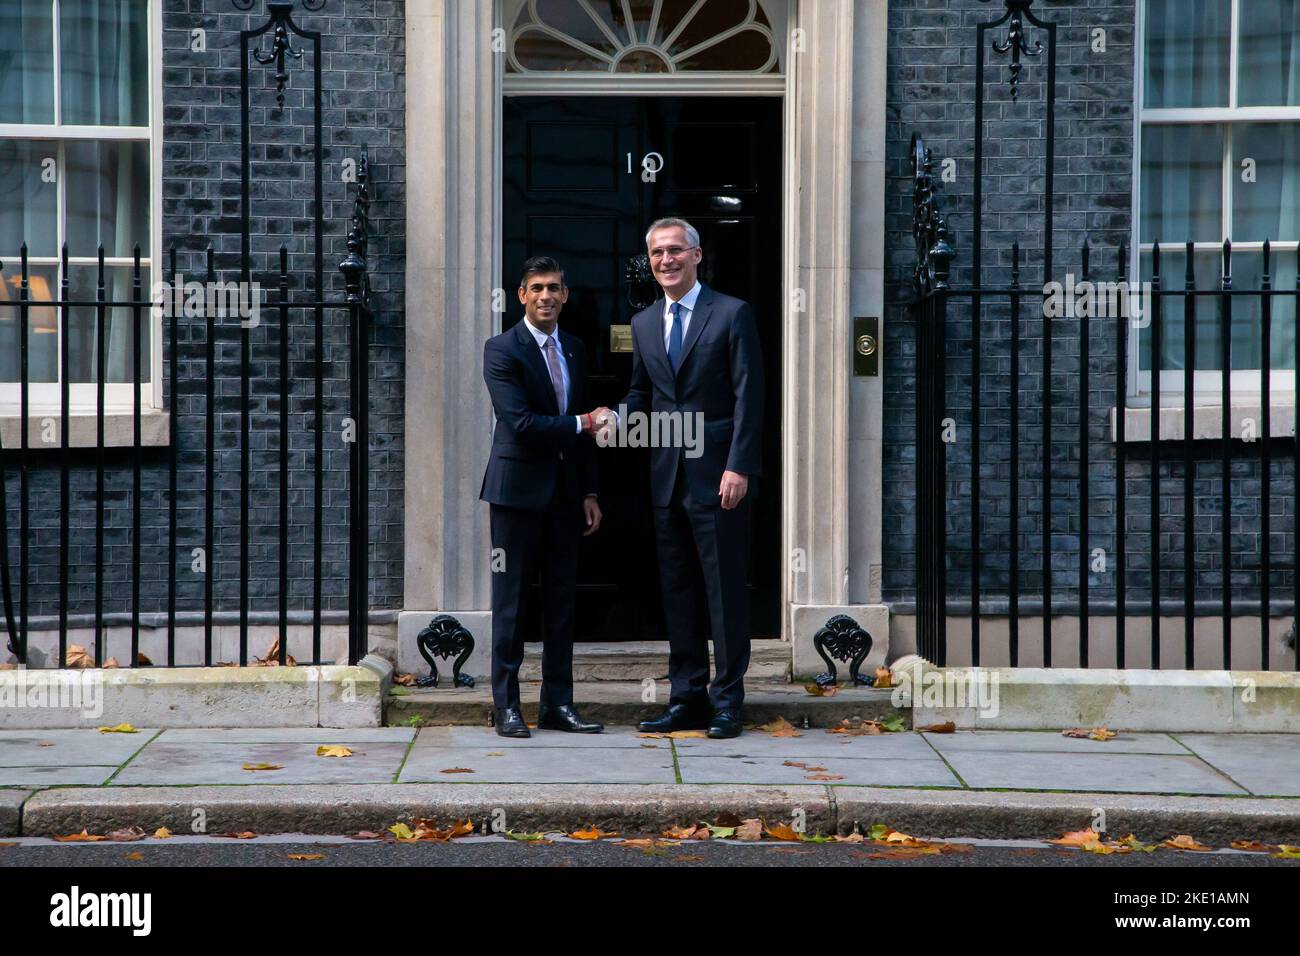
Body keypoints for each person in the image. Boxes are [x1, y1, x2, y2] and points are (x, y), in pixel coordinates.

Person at [604, 218, 765, 739]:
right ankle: (686, 698)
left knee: (724, 595)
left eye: (676, 251)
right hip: (666, 479)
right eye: (657, 253)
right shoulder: (645, 322)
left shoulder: (732, 313)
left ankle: (727, 702)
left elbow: (750, 397)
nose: (666, 260)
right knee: (678, 594)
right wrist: (618, 417)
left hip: (719, 476)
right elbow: (642, 394)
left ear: (697, 256)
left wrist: (739, 465)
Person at [480, 256, 608, 738]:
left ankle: (558, 704)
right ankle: (506, 706)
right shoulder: (502, 349)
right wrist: (584, 422)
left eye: (554, 288)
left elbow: (581, 432)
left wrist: (589, 490)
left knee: (561, 603)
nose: (546, 296)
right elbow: (523, 423)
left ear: (566, 294)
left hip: (566, 497)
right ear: (522, 295)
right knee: (511, 602)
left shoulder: (574, 347)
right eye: (537, 288)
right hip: (516, 494)